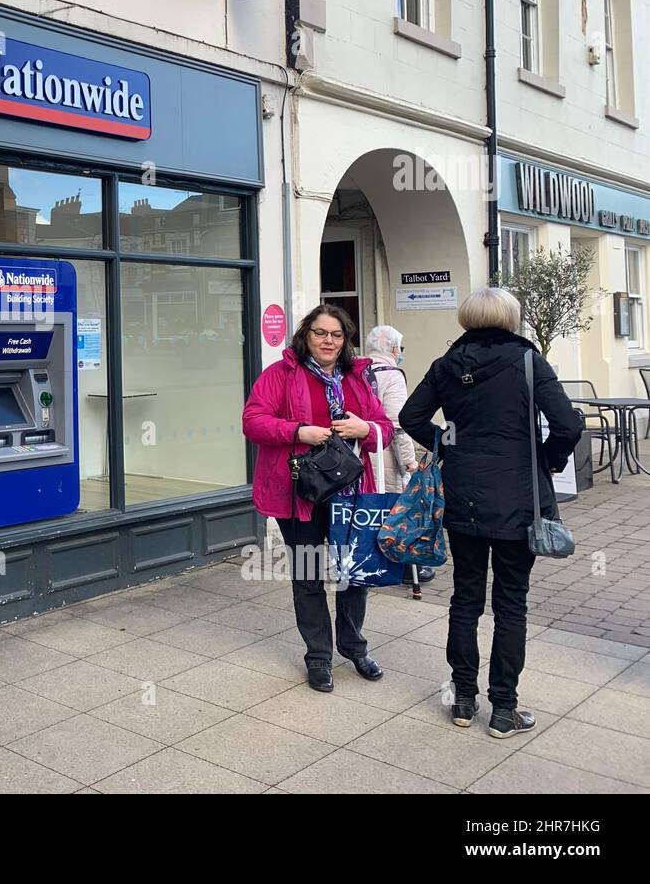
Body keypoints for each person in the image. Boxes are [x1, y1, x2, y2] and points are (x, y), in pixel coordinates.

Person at [400, 287, 581, 738]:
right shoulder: (527, 362)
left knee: (465, 597)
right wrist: (548, 460)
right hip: (519, 498)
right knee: (510, 603)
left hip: (462, 495)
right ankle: (504, 709)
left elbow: (411, 415)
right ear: (510, 319)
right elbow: (568, 425)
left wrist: (447, 442)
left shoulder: (447, 365)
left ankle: (463, 698)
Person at [243, 305, 395, 692]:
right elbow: (253, 421)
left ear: (346, 340)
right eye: (320, 333)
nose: (329, 341)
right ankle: (319, 657)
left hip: (351, 496)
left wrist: (366, 428)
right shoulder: (281, 374)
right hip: (301, 496)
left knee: (353, 576)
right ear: (306, 335)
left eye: (337, 334)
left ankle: (353, 646)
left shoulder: (358, 378)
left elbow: (385, 429)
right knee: (309, 575)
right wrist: (300, 432)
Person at [362, 325, 434, 589]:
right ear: (393, 349)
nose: (400, 353)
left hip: (361, 452)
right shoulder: (392, 375)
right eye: (400, 348)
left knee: (366, 509)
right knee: (395, 510)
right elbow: (398, 424)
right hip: (385, 455)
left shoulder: (358, 370)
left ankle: (365, 560)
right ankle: (402, 567)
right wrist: (409, 462)